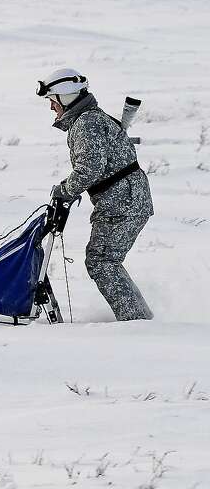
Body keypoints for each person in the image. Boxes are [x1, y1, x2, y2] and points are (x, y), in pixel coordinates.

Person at [37, 68, 154, 320]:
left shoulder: (86, 123)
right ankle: (139, 317)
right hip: (126, 200)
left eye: (52, 101)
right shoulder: (90, 119)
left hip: (123, 203)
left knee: (103, 262)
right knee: (104, 261)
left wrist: (64, 190)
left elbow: (90, 168)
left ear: (65, 98)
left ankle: (137, 322)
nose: (51, 108)